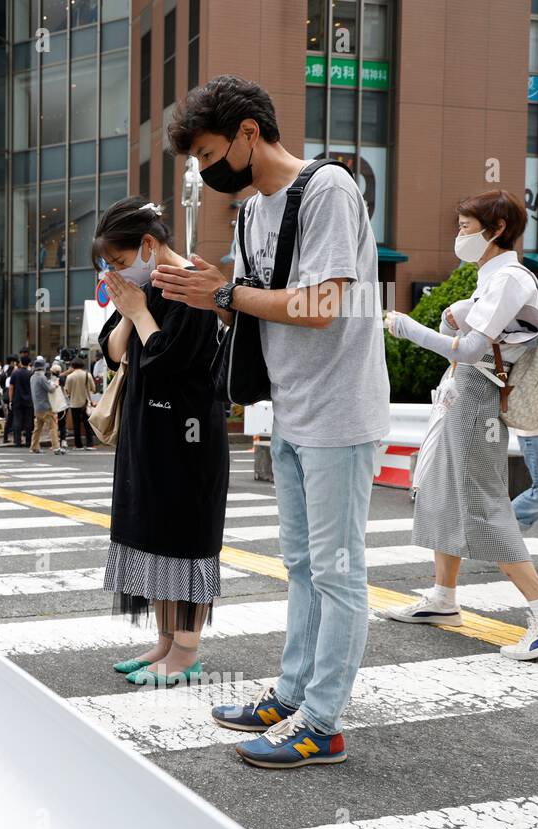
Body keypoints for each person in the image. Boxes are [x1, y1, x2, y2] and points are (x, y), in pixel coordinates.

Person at [159, 75, 389, 768]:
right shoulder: (256, 210)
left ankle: (322, 721)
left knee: (338, 571)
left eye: (207, 152)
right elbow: (264, 303)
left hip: (340, 412)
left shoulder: (329, 190)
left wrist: (227, 291)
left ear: (249, 132)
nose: (204, 169)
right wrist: (211, 295)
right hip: (289, 407)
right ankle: (291, 695)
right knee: (301, 565)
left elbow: (320, 305)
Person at [384, 190, 538, 663]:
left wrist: (407, 328)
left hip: (477, 396)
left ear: (496, 230)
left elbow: (471, 349)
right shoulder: (491, 278)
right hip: (461, 393)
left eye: (466, 228)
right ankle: (443, 597)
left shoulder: (510, 279)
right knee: (439, 490)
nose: (459, 236)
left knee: (481, 502)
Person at [93, 196, 229, 687]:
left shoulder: (193, 284)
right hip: (146, 433)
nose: (118, 271)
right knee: (152, 533)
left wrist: (140, 311)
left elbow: (170, 363)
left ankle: (186, 652)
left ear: (148, 245)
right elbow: (113, 352)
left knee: (182, 536)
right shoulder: (147, 289)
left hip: (187, 439)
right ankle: (166, 643)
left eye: (121, 261)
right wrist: (130, 309)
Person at [29, 357, 64, 455]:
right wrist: (56, 384)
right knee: (53, 427)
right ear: (42, 367)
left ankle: (34, 446)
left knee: (38, 428)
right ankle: (56, 447)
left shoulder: (32, 377)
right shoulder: (41, 377)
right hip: (45, 407)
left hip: (37, 406)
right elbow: (50, 389)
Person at [64, 358, 96, 449]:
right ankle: (90, 444)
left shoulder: (70, 377)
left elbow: (67, 390)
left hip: (74, 404)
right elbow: (93, 388)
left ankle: (78, 444)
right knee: (87, 424)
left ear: (73, 366)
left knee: (76, 424)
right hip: (85, 404)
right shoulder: (87, 375)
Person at [8, 353, 34, 448]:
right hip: (29, 400)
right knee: (28, 421)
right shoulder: (31, 374)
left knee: (17, 420)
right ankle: (28, 441)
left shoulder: (15, 373)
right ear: (29, 363)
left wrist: (11, 400)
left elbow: (11, 387)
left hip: (17, 399)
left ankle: (17, 441)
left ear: (20, 362)